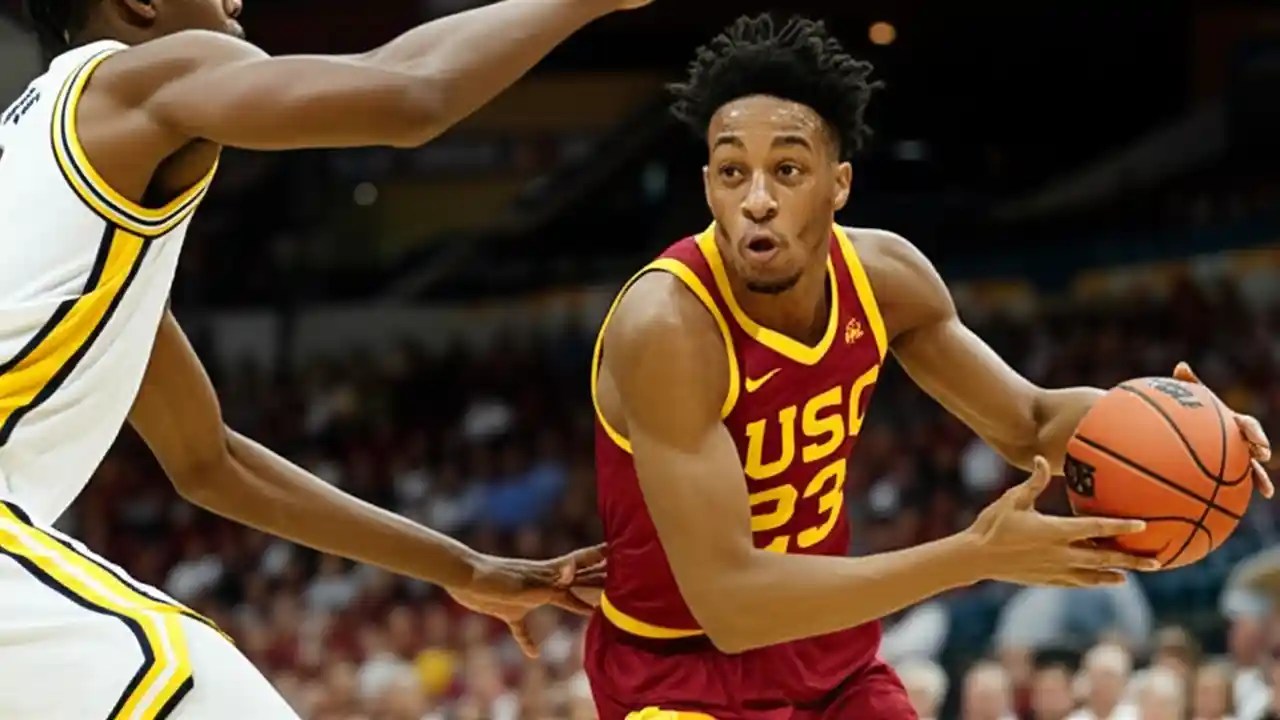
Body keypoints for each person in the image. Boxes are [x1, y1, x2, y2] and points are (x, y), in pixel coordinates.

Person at [584, 14, 1273, 719]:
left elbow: (1030, 422)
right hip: (679, 671)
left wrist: (1185, 426)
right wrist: (975, 554)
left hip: (828, 658)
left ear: (838, 184)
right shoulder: (668, 327)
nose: (757, 200)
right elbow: (730, 605)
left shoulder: (886, 278)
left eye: (787, 170)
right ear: (709, 187)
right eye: (733, 173)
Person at [0, 0, 652, 717]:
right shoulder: (139, 80)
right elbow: (413, 89)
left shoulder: (44, 179)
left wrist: (463, 567)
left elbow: (211, 460)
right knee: (203, 692)